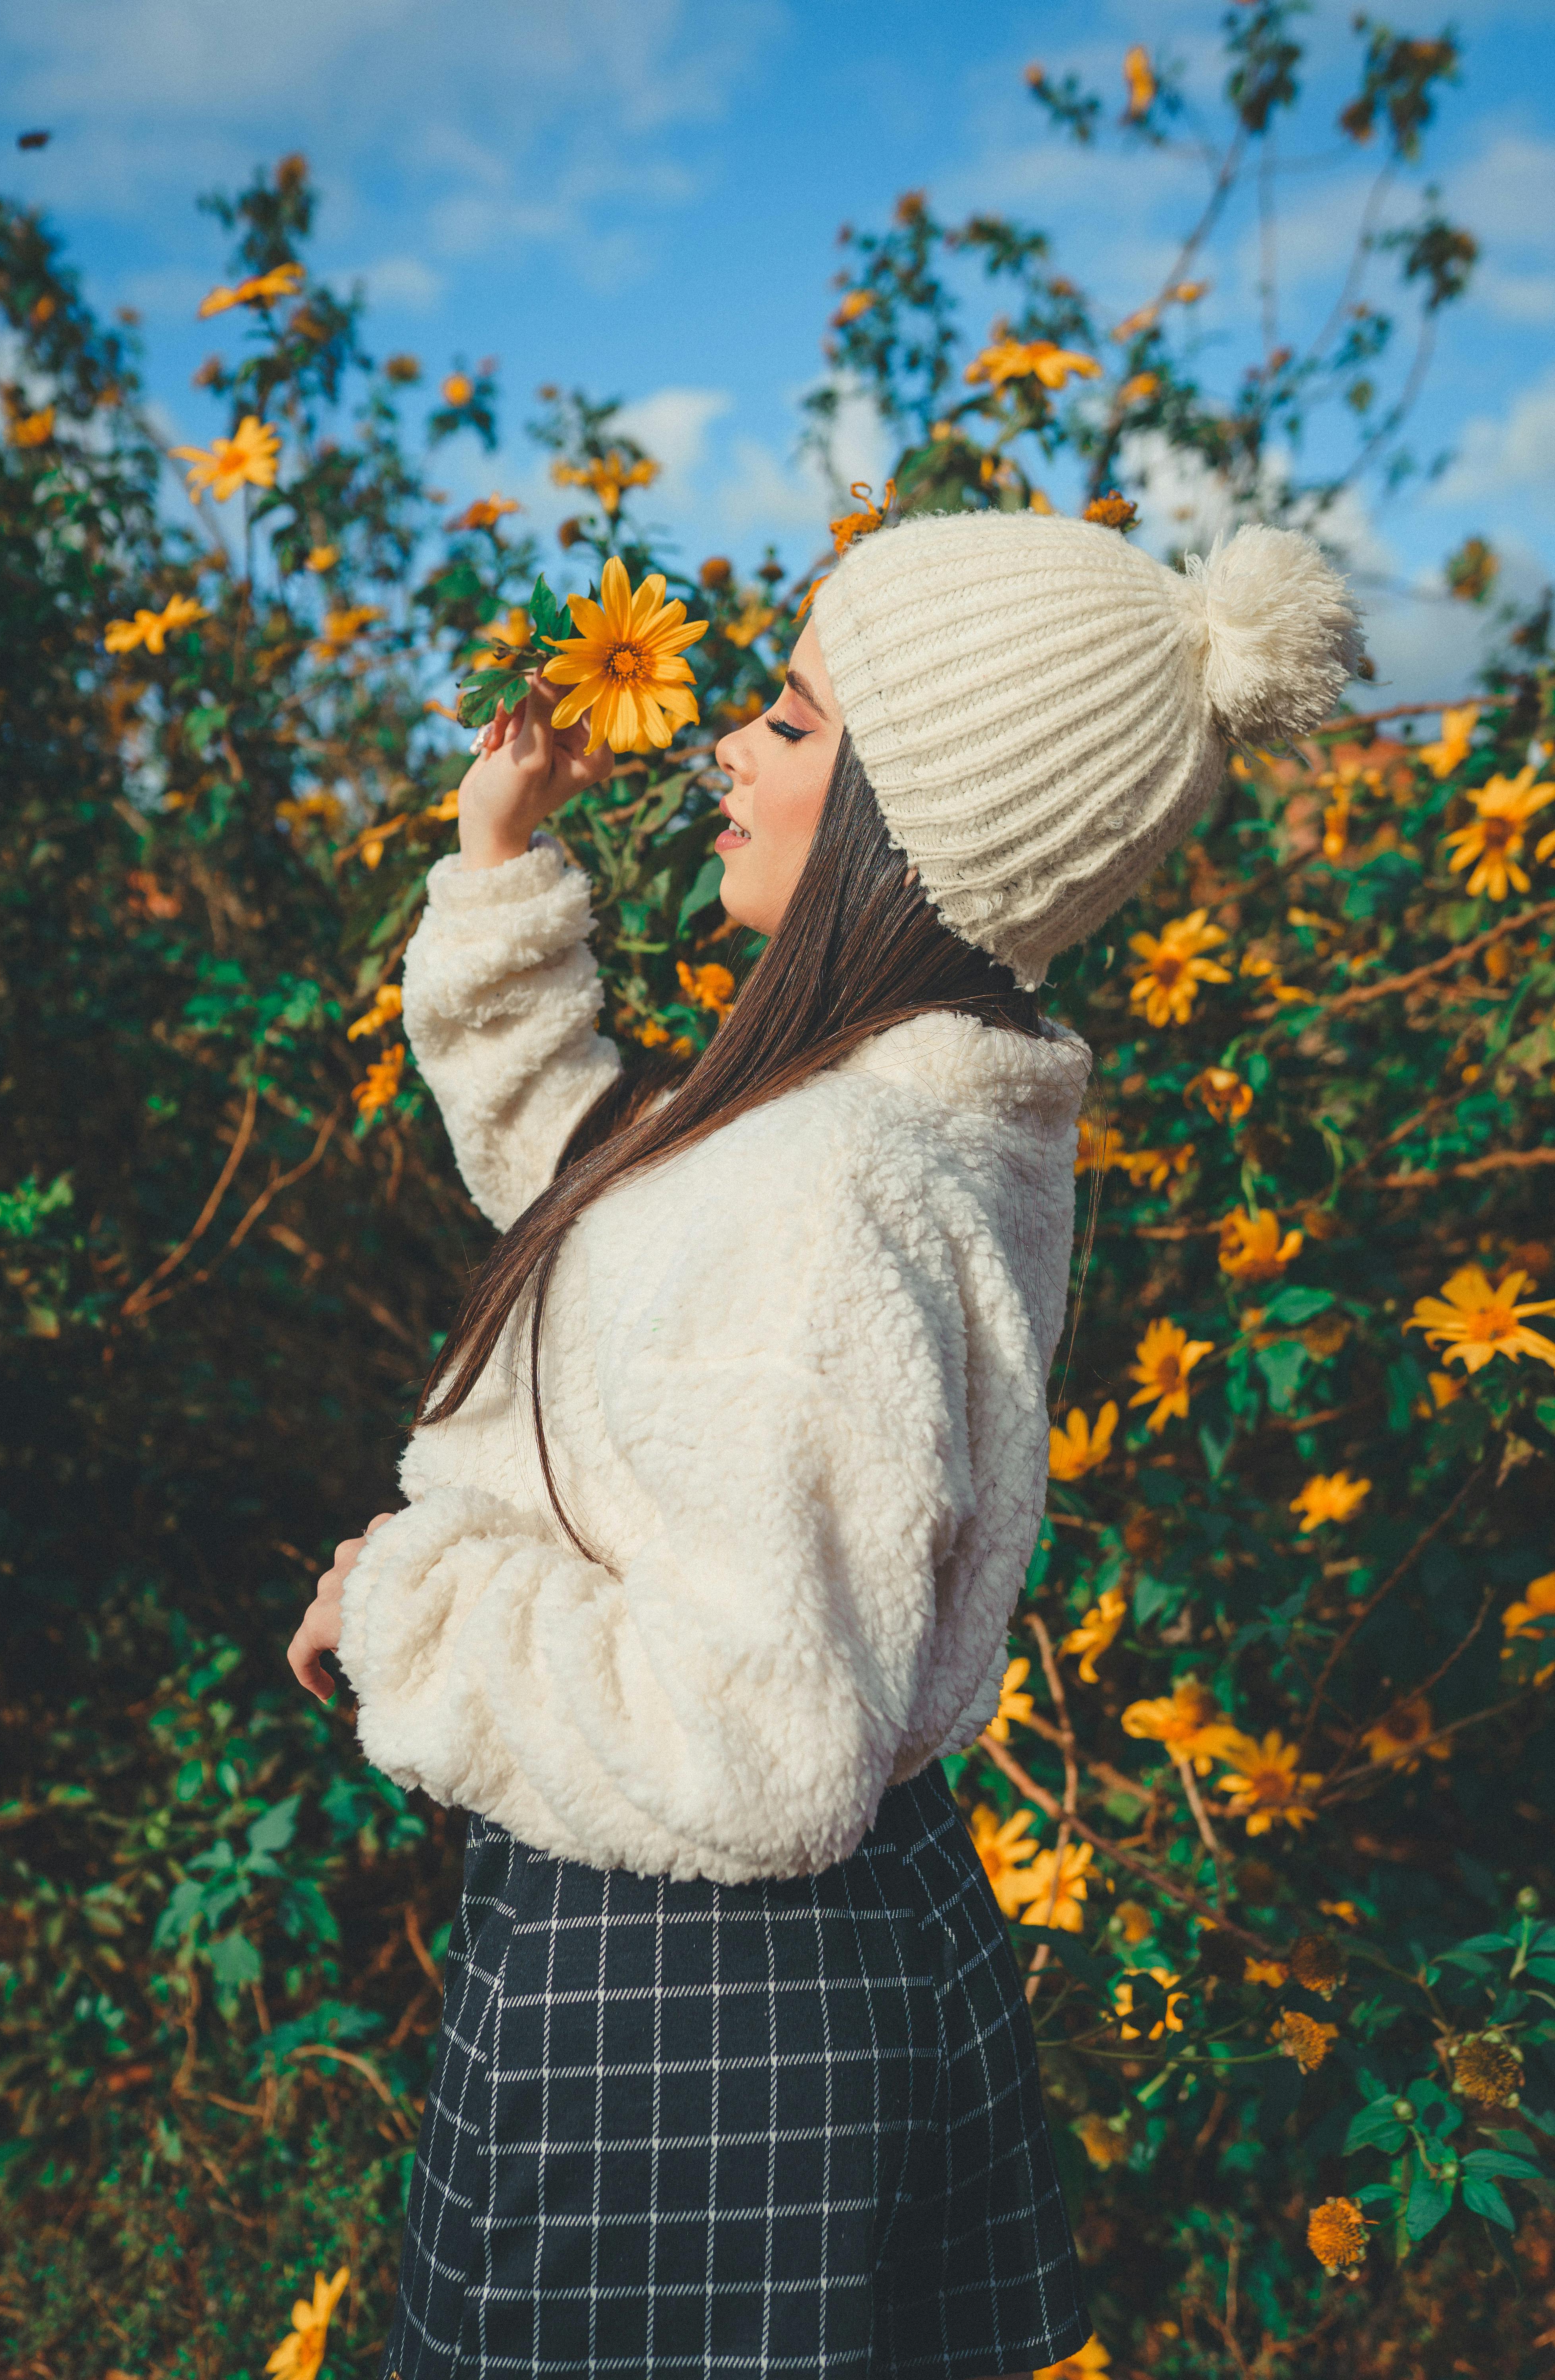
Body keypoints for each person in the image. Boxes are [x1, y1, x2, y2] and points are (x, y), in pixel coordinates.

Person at [288, 507, 1361, 2378]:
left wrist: (412, 1602)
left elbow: (754, 1738)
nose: (725, 742)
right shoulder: (895, 1116)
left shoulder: (830, 1187)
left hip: (686, 1988)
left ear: (908, 825)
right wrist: (497, 870)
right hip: (789, 1962)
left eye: (787, 721)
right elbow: (610, 1215)